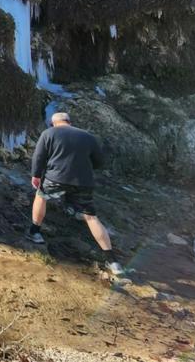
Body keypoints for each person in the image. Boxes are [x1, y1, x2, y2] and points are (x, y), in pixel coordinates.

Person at [27, 111, 125, 275]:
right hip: (83, 182)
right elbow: (100, 162)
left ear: (53, 123)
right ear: (69, 122)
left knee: (41, 196)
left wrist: (36, 175)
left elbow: (38, 156)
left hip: (55, 178)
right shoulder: (88, 136)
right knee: (91, 217)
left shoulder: (49, 133)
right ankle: (113, 261)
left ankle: (35, 233)